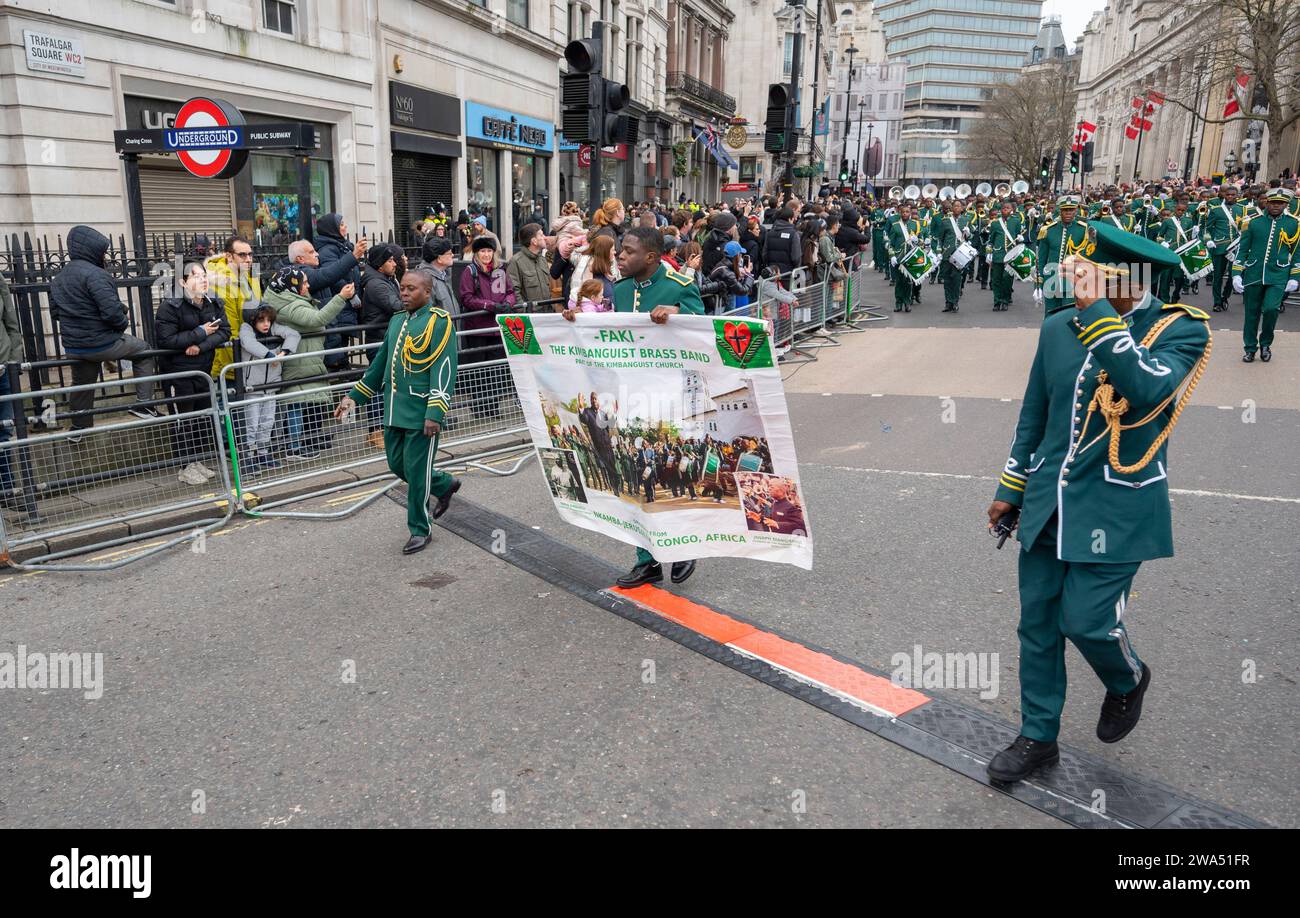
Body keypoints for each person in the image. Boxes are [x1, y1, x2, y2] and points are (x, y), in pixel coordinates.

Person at [984, 222, 1211, 784]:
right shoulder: (1059, 327)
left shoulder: (1178, 331)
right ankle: (1038, 736)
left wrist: (1102, 320)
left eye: (1093, 274)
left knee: (1086, 622)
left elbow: (1148, 388)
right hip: (1048, 501)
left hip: (1117, 506)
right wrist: (1010, 487)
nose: (1079, 282)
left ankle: (1128, 679)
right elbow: (1035, 412)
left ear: (1130, 279)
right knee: (1037, 625)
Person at [561, 226, 702, 588]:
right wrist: (576, 323)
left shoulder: (681, 286)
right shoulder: (621, 289)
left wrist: (677, 312)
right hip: (630, 399)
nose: (618, 258)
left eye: (627, 252)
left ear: (651, 258)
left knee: (665, 479)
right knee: (636, 484)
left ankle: (682, 547)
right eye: (619, 252)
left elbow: (703, 334)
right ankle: (647, 560)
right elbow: (607, 332)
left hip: (668, 398)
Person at [335, 269, 460, 555]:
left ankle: (420, 528)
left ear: (427, 293)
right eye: (402, 288)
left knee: (416, 475)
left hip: (421, 412)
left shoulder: (438, 322)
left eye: (411, 289)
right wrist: (352, 398)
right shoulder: (397, 321)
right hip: (394, 411)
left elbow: (444, 367)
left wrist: (435, 412)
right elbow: (379, 365)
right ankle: (444, 483)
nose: (404, 293)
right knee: (397, 465)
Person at [51, 225, 160, 431]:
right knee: (145, 350)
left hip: (75, 347)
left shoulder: (59, 278)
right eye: (103, 252)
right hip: (103, 343)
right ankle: (144, 405)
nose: (105, 256)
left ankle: (79, 427)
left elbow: (56, 313)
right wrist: (123, 322)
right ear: (93, 251)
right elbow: (111, 313)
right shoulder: (97, 275)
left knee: (82, 384)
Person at [263, 266, 355, 461]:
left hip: (306, 358)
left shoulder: (288, 299)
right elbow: (317, 319)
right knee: (295, 403)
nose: (308, 285)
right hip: (299, 360)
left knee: (303, 403)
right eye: (303, 282)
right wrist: (340, 297)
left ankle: (302, 443)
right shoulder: (289, 305)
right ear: (291, 285)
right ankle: (294, 448)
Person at [154, 262, 230, 485]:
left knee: (201, 418)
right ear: (182, 282)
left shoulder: (212, 302)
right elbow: (167, 340)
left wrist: (201, 345)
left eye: (204, 275)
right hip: (178, 372)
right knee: (183, 420)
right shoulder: (170, 307)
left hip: (203, 369)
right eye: (195, 277)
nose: (203, 280)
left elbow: (225, 331)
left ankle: (196, 461)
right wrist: (200, 332)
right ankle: (184, 466)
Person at [1232, 187, 1300, 363]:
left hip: (1279, 274)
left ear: (1286, 204)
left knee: (1271, 309)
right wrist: (1236, 273)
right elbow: (1243, 250)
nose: (1276, 206)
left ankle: (1265, 344)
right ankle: (1249, 348)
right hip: (1254, 273)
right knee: (1251, 313)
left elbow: (1297, 253)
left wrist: (1294, 276)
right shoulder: (1252, 223)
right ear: (1267, 203)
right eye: (1273, 202)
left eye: (1281, 203)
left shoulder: (1294, 223)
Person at [458, 236, 516, 418]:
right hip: (478, 327)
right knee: (479, 369)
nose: (486, 254)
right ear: (476, 253)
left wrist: (508, 302)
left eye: (489, 251)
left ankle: (493, 407)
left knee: (496, 370)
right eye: (483, 251)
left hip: (497, 327)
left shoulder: (500, 270)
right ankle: (479, 408)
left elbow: (510, 291)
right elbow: (467, 298)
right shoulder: (470, 271)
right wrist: (489, 305)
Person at [237, 304, 300, 471]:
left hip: (271, 386)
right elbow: (248, 343)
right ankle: (248, 457)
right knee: (252, 424)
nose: (266, 324)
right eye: (261, 320)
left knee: (267, 422)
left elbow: (293, 334)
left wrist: (283, 354)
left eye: (268, 320)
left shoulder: (274, 328)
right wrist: (271, 356)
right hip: (253, 388)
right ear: (252, 321)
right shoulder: (246, 329)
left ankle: (263, 453)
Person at [359, 243, 405, 450]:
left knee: (389, 386)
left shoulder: (384, 279)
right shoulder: (377, 284)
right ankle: (376, 431)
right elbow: (397, 306)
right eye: (390, 260)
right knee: (378, 387)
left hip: (386, 338)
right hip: (379, 340)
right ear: (379, 264)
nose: (394, 263)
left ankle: (386, 429)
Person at [205, 235, 261, 384]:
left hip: (250, 356)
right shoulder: (222, 283)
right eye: (242, 255)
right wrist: (238, 366)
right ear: (229, 256)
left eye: (250, 254)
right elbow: (230, 330)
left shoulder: (248, 275)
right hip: (233, 365)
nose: (248, 259)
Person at [1035, 195, 1089, 318]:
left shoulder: (1083, 229)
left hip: (1073, 281)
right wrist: (1038, 284)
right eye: (1065, 210)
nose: (1068, 213)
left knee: (1069, 316)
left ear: (1076, 210)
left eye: (1071, 210)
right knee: (1050, 316)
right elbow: (1041, 259)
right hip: (1051, 280)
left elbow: (1087, 258)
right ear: (1060, 210)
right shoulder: (1048, 230)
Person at [0, 271, 25, 510]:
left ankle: (7, 491)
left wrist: (14, 360)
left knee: (4, 433)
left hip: (3, 367)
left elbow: (10, 321)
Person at [1204, 184, 1246, 312]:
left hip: (1237, 247)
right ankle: (1217, 302)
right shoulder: (1216, 210)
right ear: (1223, 195)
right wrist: (1208, 240)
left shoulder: (1243, 209)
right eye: (1228, 195)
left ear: (1237, 196)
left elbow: (1246, 229)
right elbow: (1207, 229)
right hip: (1220, 247)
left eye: (1233, 195)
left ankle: (1225, 297)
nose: (1230, 197)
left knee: (1234, 275)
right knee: (1218, 276)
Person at [986, 199, 1024, 312]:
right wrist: (989, 251)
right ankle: (997, 301)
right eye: (1003, 208)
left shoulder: (1016, 221)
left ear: (1011, 210)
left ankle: (1005, 300)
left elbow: (1018, 236)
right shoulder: (995, 223)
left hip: (1011, 254)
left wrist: (1021, 240)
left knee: (1007, 279)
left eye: (1007, 208)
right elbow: (991, 239)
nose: (1005, 210)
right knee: (996, 280)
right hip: (998, 254)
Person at [507, 223, 552, 309]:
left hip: (547, 314)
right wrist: (524, 312)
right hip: (529, 317)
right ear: (534, 241)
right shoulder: (515, 262)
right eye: (541, 235)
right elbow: (513, 291)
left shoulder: (542, 260)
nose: (545, 237)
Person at [937, 199, 970, 313]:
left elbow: (969, 238)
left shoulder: (966, 220)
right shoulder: (945, 221)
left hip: (960, 254)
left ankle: (955, 302)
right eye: (954, 206)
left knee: (956, 279)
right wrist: (939, 252)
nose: (956, 208)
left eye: (958, 206)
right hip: (947, 253)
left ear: (962, 208)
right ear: (951, 208)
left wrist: (968, 233)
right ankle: (948, 303)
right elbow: (940, 238)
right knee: (947, 279)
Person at [761, 207, 801, 277]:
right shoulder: (794, 234)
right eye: (793, 218)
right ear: (789, 219)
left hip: (772, 273)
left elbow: (764, 254)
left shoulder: (770, 233)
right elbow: (796, 258)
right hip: (788, 274)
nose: (794, 220)